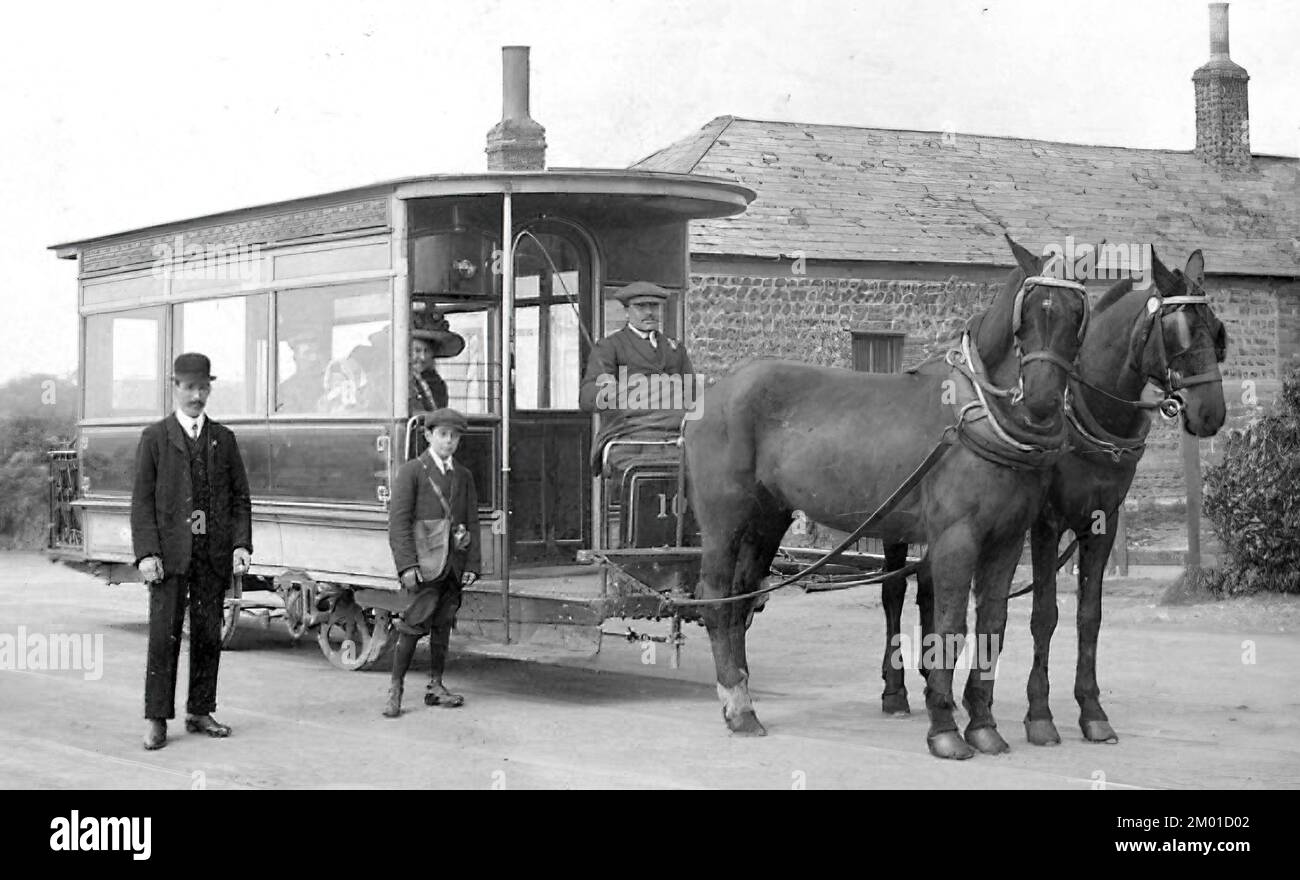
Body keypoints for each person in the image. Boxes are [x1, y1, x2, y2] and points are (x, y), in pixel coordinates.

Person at [131, 353, 252, 751]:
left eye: (203, 388)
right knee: (163, 638)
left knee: (206, 635)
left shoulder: (224, 439)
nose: (197, 395)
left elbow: (240, 498)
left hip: (211, 554)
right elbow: (141, 503)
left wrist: (240, 544)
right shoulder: (155, 438)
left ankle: (200, 710)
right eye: (189, 387)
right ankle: (156, 718)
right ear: (175, 387)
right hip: (168, 556)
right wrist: (147, 553)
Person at [384, 407, 480, 717]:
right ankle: (395, 689)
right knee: (412, 626)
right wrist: (406, 566)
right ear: (428, 435)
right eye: (442, 435)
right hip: (424, 565)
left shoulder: (463, 475)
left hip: (452, 564)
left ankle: (435, 686)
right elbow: (398, 524)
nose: (448, 441)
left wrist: (472, 566)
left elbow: (472, 521)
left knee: (443, 626)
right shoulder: (412, 471)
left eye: (454, 437)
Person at [579, 281, 696, 473]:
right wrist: (612, 392)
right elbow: (587, 397)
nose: (649, 312)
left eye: (654, 306)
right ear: (627, 312)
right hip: (629, 438)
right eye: (641, 307)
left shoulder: (675, 349)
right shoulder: (610, 347)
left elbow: (692, 396)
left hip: (674, 438)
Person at [409, 307, 465, 413]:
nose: (423, 357)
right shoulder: (396, 382)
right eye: (417, 351)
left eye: (427, 351)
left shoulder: (436, 383)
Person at [277, 328, 328, 413]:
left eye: (316, 352)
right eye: (307, 353)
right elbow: (289, 422)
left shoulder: (328, 382)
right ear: (296, 358)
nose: (314, 358)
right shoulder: (285, 390)